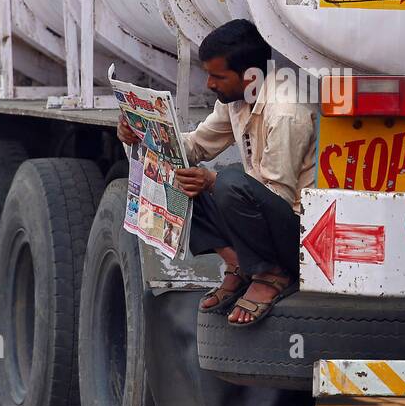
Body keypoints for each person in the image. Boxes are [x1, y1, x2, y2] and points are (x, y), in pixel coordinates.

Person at [117, 20, 315, 327]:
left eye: (217, 76)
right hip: (259, 218)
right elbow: (195, 146)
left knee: (229, 181)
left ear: (249, 75)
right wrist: (141, 134)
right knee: (181, 170)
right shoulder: (237, 99)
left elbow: (278, 196)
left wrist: (213, 182)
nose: (210, 84)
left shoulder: (287, 112)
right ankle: (237, 265)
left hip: (297, 235)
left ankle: (271, 274)